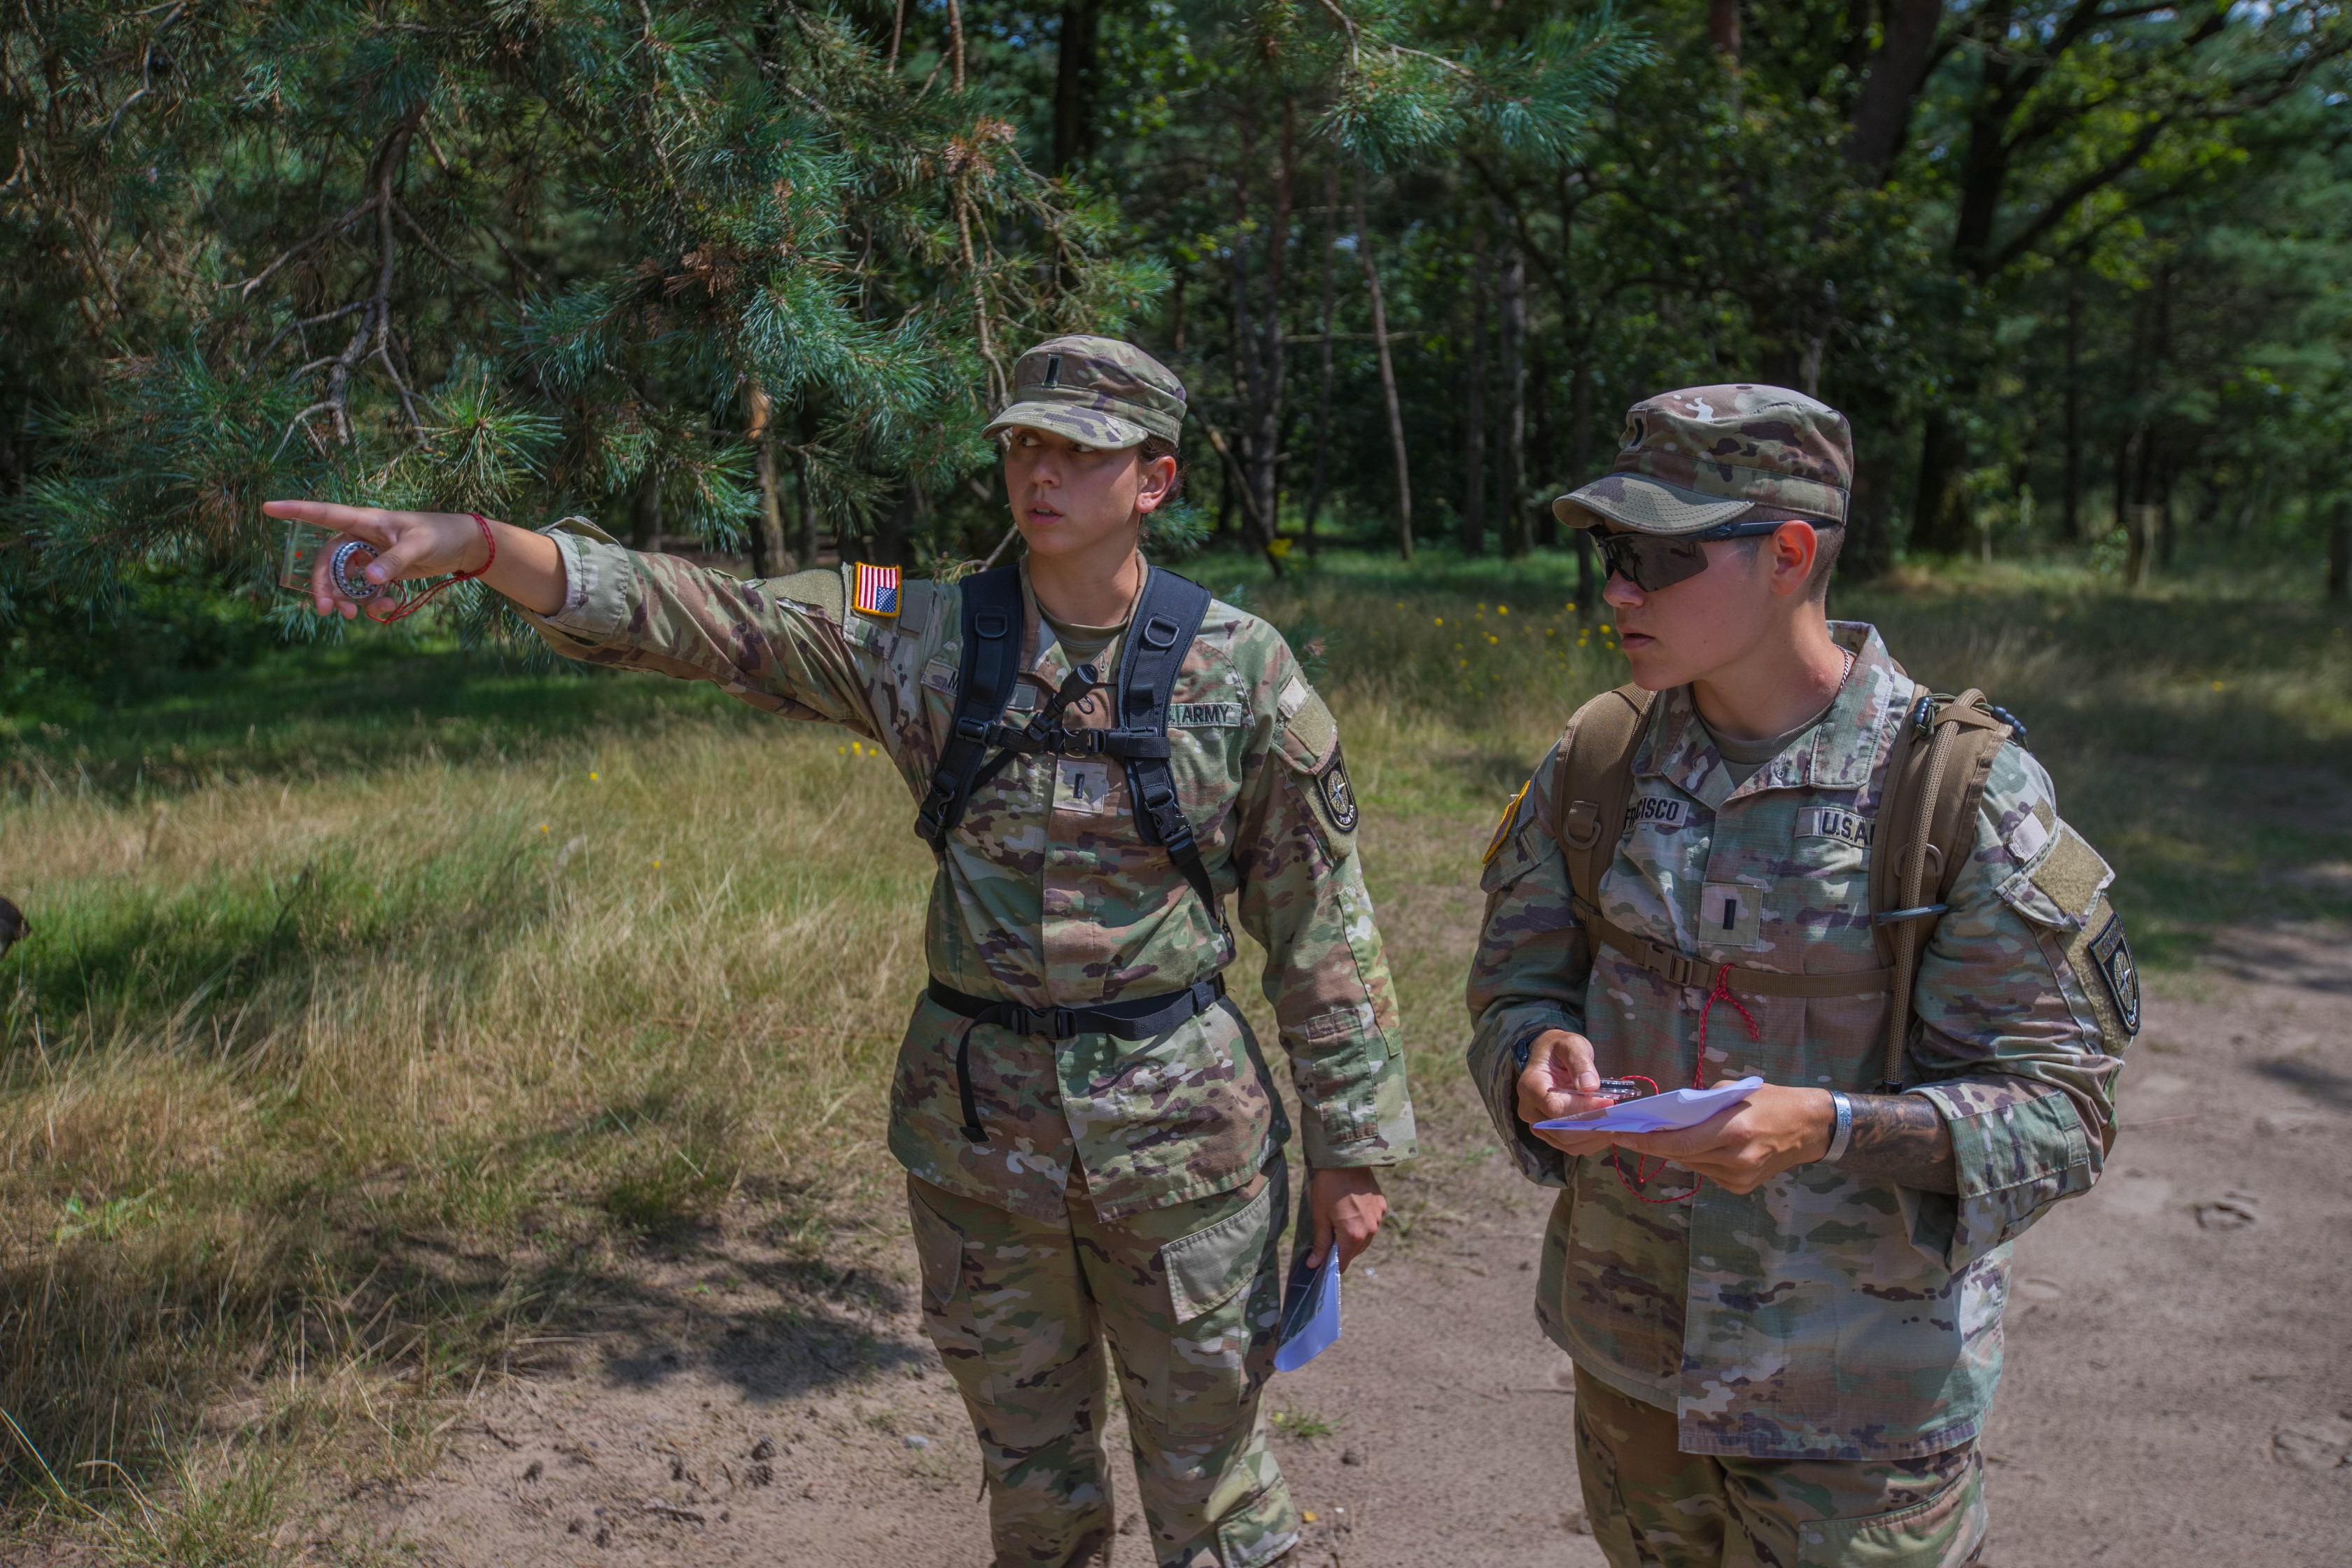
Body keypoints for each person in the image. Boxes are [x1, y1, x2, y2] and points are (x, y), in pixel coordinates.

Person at [266, 335, 1416, 1568]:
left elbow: (1319, 922)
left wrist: (1352, 1148)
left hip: (1185, 1154)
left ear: (1155, 480)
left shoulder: (1240, 669)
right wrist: (487, 547)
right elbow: (709, 618)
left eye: (1080, 452)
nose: (1041, 472)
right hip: (982, 1155)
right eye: (1025, 443)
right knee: (1034, 1496)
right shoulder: (926, 639)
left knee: (1221, 1504)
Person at [1466, 384, 2135, 1568]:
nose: (1618, 588)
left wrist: (1826, 1130)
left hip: (1860, 1404)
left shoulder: (1958, 796)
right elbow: (1516, 985)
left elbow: (2063, 1115)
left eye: (1659, 553)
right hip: (1635, 1363)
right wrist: (1534, 1058)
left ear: (1787, 555)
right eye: (1609, 551)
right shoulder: (1601, 758)